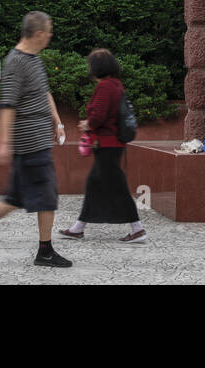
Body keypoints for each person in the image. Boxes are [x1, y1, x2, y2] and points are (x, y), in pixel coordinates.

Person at [0, 10, 72, 267]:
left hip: (38, 140)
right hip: (31, 144)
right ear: (39, 33)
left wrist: (57, 121)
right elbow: (7, 105)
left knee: (16, 198)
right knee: (48, 195)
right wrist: (3, 143)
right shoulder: (15, 62)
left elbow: (44, 91)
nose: (51, 35)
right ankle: (45, 252)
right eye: (49, 31)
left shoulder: (34, 58)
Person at [60, 48, 146, 244]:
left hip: (107, 144)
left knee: (116, 186)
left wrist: (87, 124)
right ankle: (79, 227)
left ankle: (137, 228)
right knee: (95, 184)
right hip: (113, 144)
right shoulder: (116, 85)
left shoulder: (105, 87)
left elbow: (99, 116)